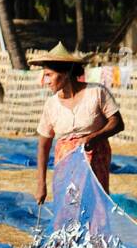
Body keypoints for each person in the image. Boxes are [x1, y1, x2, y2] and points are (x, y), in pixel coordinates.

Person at [32, 42, 124, 204]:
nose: (46, 81)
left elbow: (117, 123)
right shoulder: (51, 105)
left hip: (95, 160)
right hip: (65, 164)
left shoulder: (96, 92)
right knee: (68, 211)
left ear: (66, 73)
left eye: (49, 75)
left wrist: (94, 137)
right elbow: (43, 146)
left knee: (95, 209)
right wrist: (41, 184)